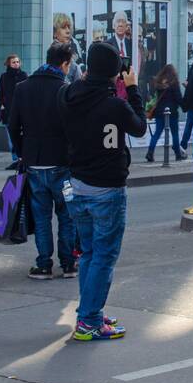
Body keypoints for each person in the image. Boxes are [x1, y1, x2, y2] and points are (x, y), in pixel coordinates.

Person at [58, 41, 147, 341]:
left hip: (77, 185)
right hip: (107, 188)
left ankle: (89, 310)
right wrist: (133, 88)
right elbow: (139, 127)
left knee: (89, 253)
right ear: (113, 73)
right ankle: (89, 320)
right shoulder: (115, 104)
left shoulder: (68, 95)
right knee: (104, 256)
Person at [8, 42, 78, 281]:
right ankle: (68, 264)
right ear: (65, 63)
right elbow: (73, 129)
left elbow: (12, 125)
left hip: (35, 164)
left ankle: (44, 264)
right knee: (67, 215)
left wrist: (21, 152)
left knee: (41, 217)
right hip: (62, 164)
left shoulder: (22, 88)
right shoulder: (66, 90)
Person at [144, 64, 186, 163]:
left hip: (159, 111)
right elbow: (179, 98)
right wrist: (185, 106)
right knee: (175, 133)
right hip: (172, 112)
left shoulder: (158, 83)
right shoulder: (174, 84)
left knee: (157, 133)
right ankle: (178, 154)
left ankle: (150, 152)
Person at [0, 54, 28, 162]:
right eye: (13, 62)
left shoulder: (24, 75)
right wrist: (2, 105)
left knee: (22, 135)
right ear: (9, 64)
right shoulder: (4, 76)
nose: (16, 64)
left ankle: (21, 158)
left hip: (22, 112)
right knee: (11, 137)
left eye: (17, 62)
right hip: (8, 111)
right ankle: (15, 159)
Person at [53, 14, 83, 82]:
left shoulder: (74, 45)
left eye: (69, 27)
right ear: (54, 32)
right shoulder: (47, 50)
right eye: (63, 28)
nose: (68, 31)